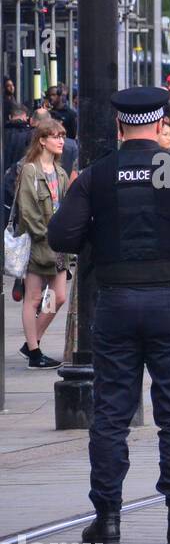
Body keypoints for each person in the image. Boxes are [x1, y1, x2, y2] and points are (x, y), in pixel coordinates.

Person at [47, 87, 170, 544]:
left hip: (115, 303)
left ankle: (107, 518)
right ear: (160, 124)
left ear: (119, 127)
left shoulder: (97, 175)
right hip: (169, 303)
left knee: (110, 414)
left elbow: (62, 234)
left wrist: (96, 235)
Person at [14, 119, 71, 367]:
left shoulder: (61, 172)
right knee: (34, 297)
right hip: (37, 243)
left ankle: (30, 342)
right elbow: (26, 210)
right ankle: (35, 352)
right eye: (55, 136)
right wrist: (45, 235)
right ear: (42, 140)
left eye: (63, 135)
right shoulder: (30, 170)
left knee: (57, 296)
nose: (61, 140)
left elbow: (67, 207)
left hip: (58, 244)